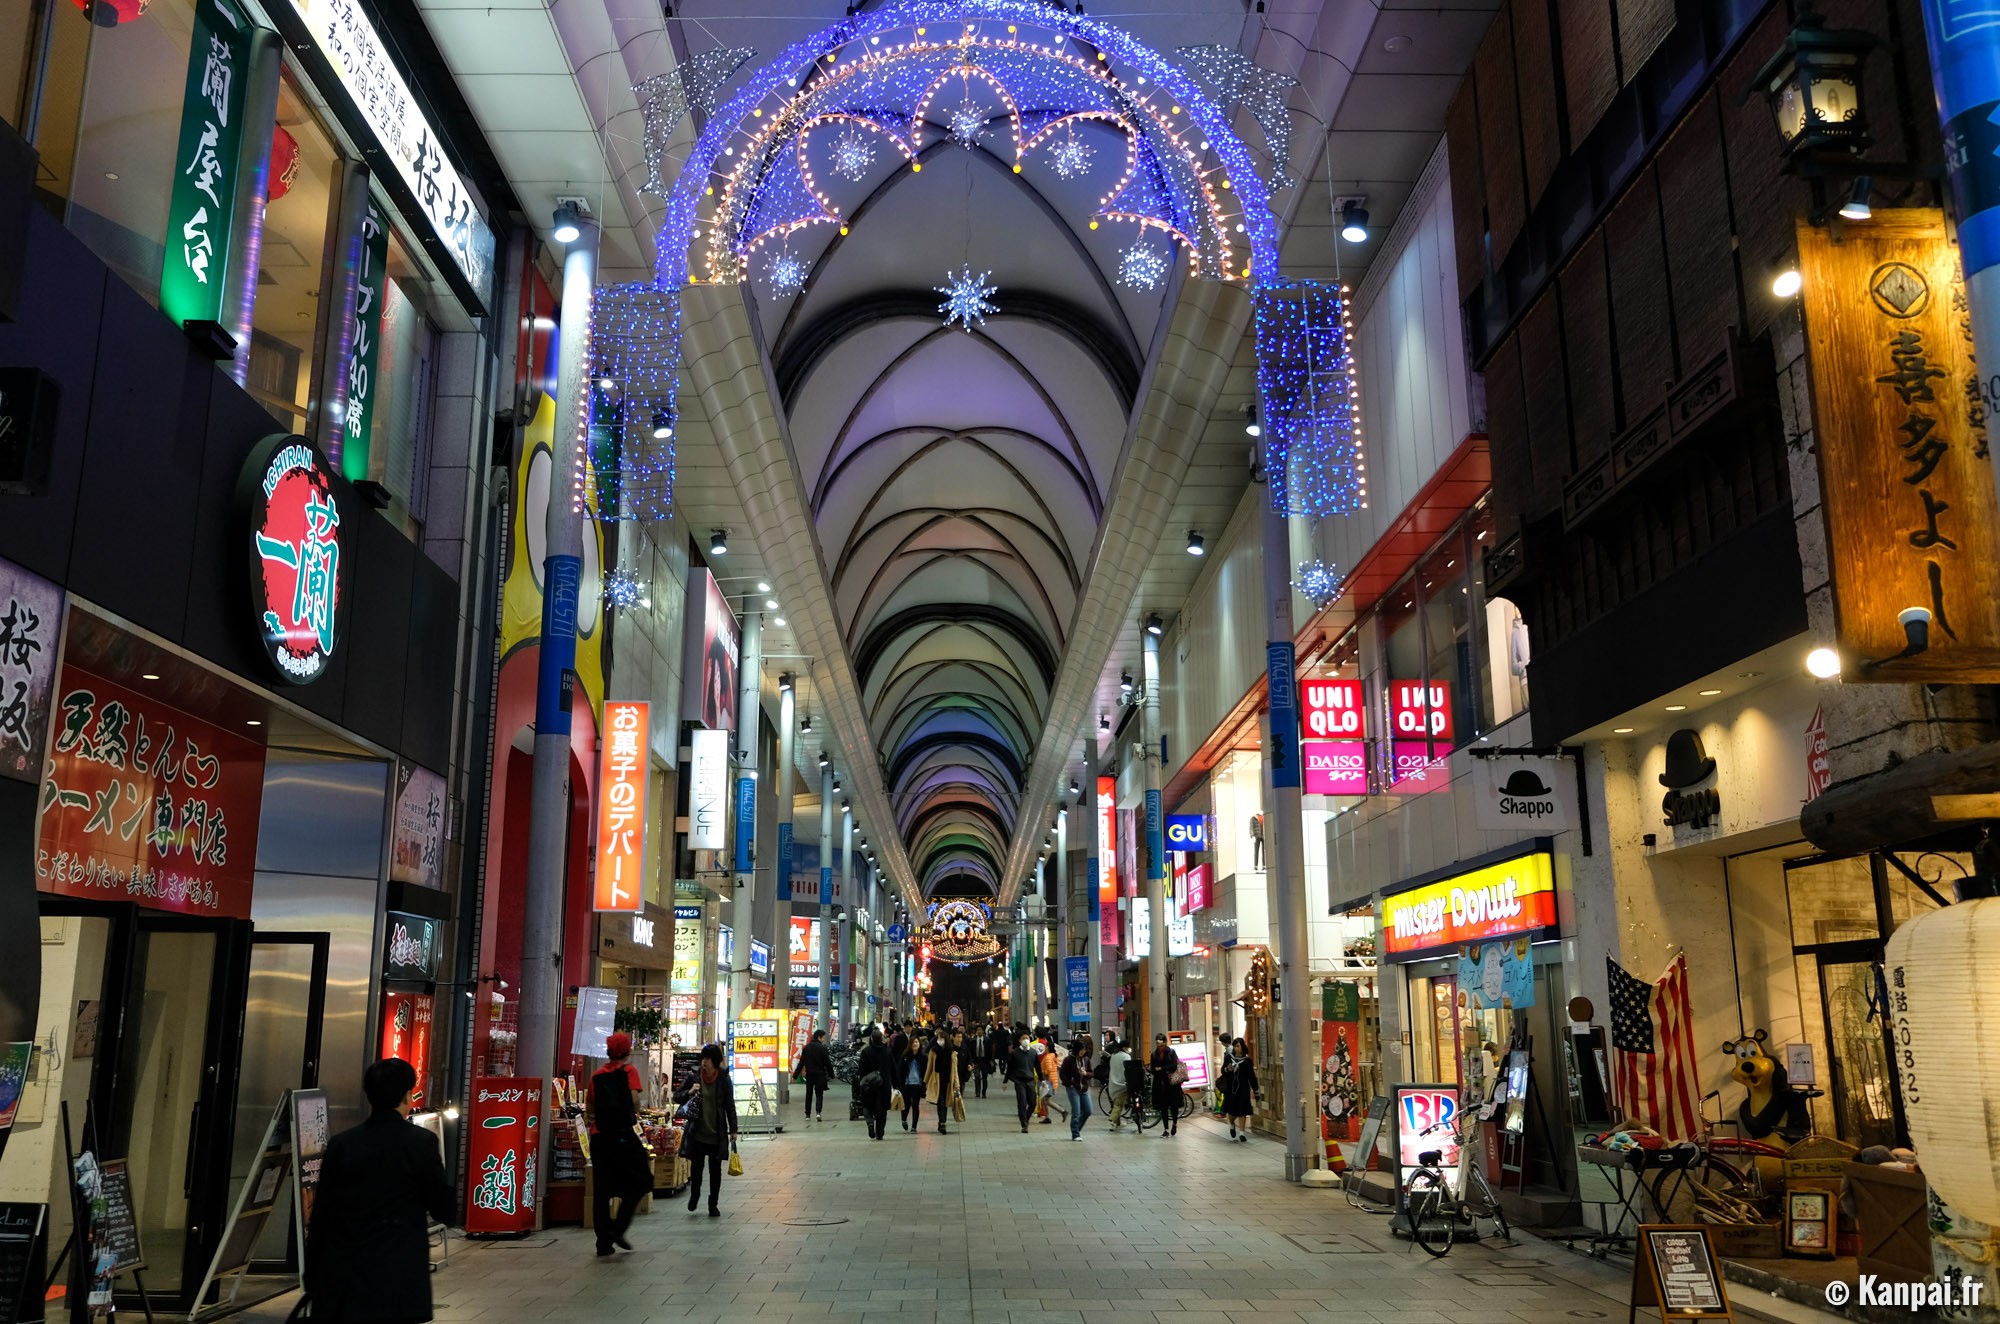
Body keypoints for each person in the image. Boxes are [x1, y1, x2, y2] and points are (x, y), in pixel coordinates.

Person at [304, 1058, 454, 1321]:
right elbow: (441, 1204)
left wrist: (313, 1274)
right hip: (398, 1273)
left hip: (346, 1275)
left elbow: (322, 1214)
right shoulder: (420, 1143)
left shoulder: (341, 1145)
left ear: (370, 1097)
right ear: (407, 1096)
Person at [584, 1032, 652, 1256]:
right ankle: (619, 1227)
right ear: (627, 1051)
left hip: (600, 1138)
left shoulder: (595, 1076)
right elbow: (634, 1101)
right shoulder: (629, 1071)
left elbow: (590, 1109)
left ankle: (603, 1244)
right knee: (641, 1181)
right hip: (623, 1137)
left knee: (602, 1192)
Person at [674, 1043, 738, 1216]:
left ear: (715, 1061)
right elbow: (676, 1096)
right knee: (696, 1169)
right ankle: (695, 1195)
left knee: (715, 1171)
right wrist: (689, 1092)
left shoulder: (724, 1079)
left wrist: (733, 1129)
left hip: (716, 1132)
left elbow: (729, 1105)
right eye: (703, 1058)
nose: (705, 1062)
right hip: (697, 1132)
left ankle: (713, 1204)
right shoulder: (694, 1076)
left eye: (708, 1059)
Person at [1219, 1037, 1261, 1143]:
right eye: (1236, 1046)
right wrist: (1228, 1069)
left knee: (1242, 1111)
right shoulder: (1229, 1058)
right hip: (1231, 1089)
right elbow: (1223, 1071)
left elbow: (1251, 1076)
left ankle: (1242, 1133)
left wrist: (1256, 1090)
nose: (1239, 1048)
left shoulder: (1247, 1061)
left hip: (1243, 1088)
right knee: (1232, 1112)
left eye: (1240, 1046)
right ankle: (1232, 1124)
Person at [855, 1027, 894, 1140]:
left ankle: (870, 1122)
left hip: (869, 1085)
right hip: (884, 1084)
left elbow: (861, 1069)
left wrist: (861, 1082)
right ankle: (880, 1132)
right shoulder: (887, 1052)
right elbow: (893, 1068)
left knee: (867, 1105)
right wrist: (896, 1083)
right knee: (882, 1110)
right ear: (881, 1038)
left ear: (871, 1038)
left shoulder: (866, 1052)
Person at [925, 1030, 962, 1135]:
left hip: (948, 1081)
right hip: (937, 1080)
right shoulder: (934, 1051)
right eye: (938, 1038)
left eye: (941, 1038)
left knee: (945, 1102)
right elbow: (929, 1067)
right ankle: (942, 1123)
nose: (939, 1040)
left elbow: (954, 1070)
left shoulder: (952, 1053)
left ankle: (942, 1122)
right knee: (940, 1102)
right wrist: (926, 1081)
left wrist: (957, 1085)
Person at [1058, 1040, 1094, 1140]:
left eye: (1084, 1050)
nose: (1083, 1052)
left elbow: (1091, 1073)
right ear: (1076, 1050)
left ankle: (1077, 1128)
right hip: (1073, 1088)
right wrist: (1069, 1083)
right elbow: (1062, 1073)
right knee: (1076, 1111)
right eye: (1081, 1050)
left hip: (1084, 1088)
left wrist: (1086, 1074)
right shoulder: (1068, 1060)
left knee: (1088, 1110)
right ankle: (1075, 1134)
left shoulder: (1086, 1060)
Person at [1150, 1034, 1183, 1139]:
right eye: (1157, 1040)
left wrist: (1162, 1068)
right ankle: (1166, 1130)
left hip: (1172, 1083)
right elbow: (1153, 1068)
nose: (1158, 1042)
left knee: (1174, 1106)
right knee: (1163, 1107)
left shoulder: (1171, 1052)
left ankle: (1174, 1123)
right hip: (1160, 1083)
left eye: (1160, 1040)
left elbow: (1174, 1066)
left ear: (1164, 1041)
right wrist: (1153, 1070)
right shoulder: (1154, 1054)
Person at [798, 1029, 833, 1124]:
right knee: (819, 1094)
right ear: (819, 1037)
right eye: (823, 1037)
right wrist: (831, 1074)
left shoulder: (806, 1048)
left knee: (808, 1094)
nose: (824, 1039)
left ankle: (807, 1115)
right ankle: (818, 1112)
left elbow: (802, 1062)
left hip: (809, 1075)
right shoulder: (822, 1048)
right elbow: (827, 1063)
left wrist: (795, 1074)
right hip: (820, 1075)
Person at [1007, 1033, 1040, 1132]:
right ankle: (1024, 1123)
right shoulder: (1015, 1053)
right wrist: (1006, 1080)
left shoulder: (1033, 1053)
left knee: (1033, 1103)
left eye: (1027, 1038)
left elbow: (1037, 1067)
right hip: (1019, 1081)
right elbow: (1010, 1068)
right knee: (1022, 1102)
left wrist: (1042, 1079)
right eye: (1023, 1038)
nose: (1026, 1040)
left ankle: (1026, 1117)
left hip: (1030, 1081)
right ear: (1019, 1040)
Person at [897, 1029, 927, 1131]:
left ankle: (914, 1126)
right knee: (906, 1104)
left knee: (915, 1105)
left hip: (918, 1084)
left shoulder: (923, 1057)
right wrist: (899, 1084)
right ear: (910, 1044)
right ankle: (904, 1119)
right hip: (907, 1084)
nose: (915, 1044)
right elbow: (900, 1070)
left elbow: (926, 1071)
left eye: (917, 1042)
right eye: (913, 1042)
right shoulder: (905, 1056)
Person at [1103, 1036, 1133, 1132]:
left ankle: (1118, 1123)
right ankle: (1112, 1121)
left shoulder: (1114, 1055)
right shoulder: (1126, 1056)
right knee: (1118, 1105)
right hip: (1122, 1084)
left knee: (1116, 1102)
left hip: (1112, 1083)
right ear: (1124, 1047)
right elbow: (1129, 1070)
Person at [1037, 1035, 1065, 1123]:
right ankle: (1047, 1117)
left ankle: (1062, 1111)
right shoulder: (1053, 1056)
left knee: (1046, 1100)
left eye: (1045, 1046)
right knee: (1044, 1100)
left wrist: (1042, 1072)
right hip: (1052, 1081)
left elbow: (1048, 1070)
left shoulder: (1048, 1057)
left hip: (1048, 1081)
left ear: (1048, 1047)